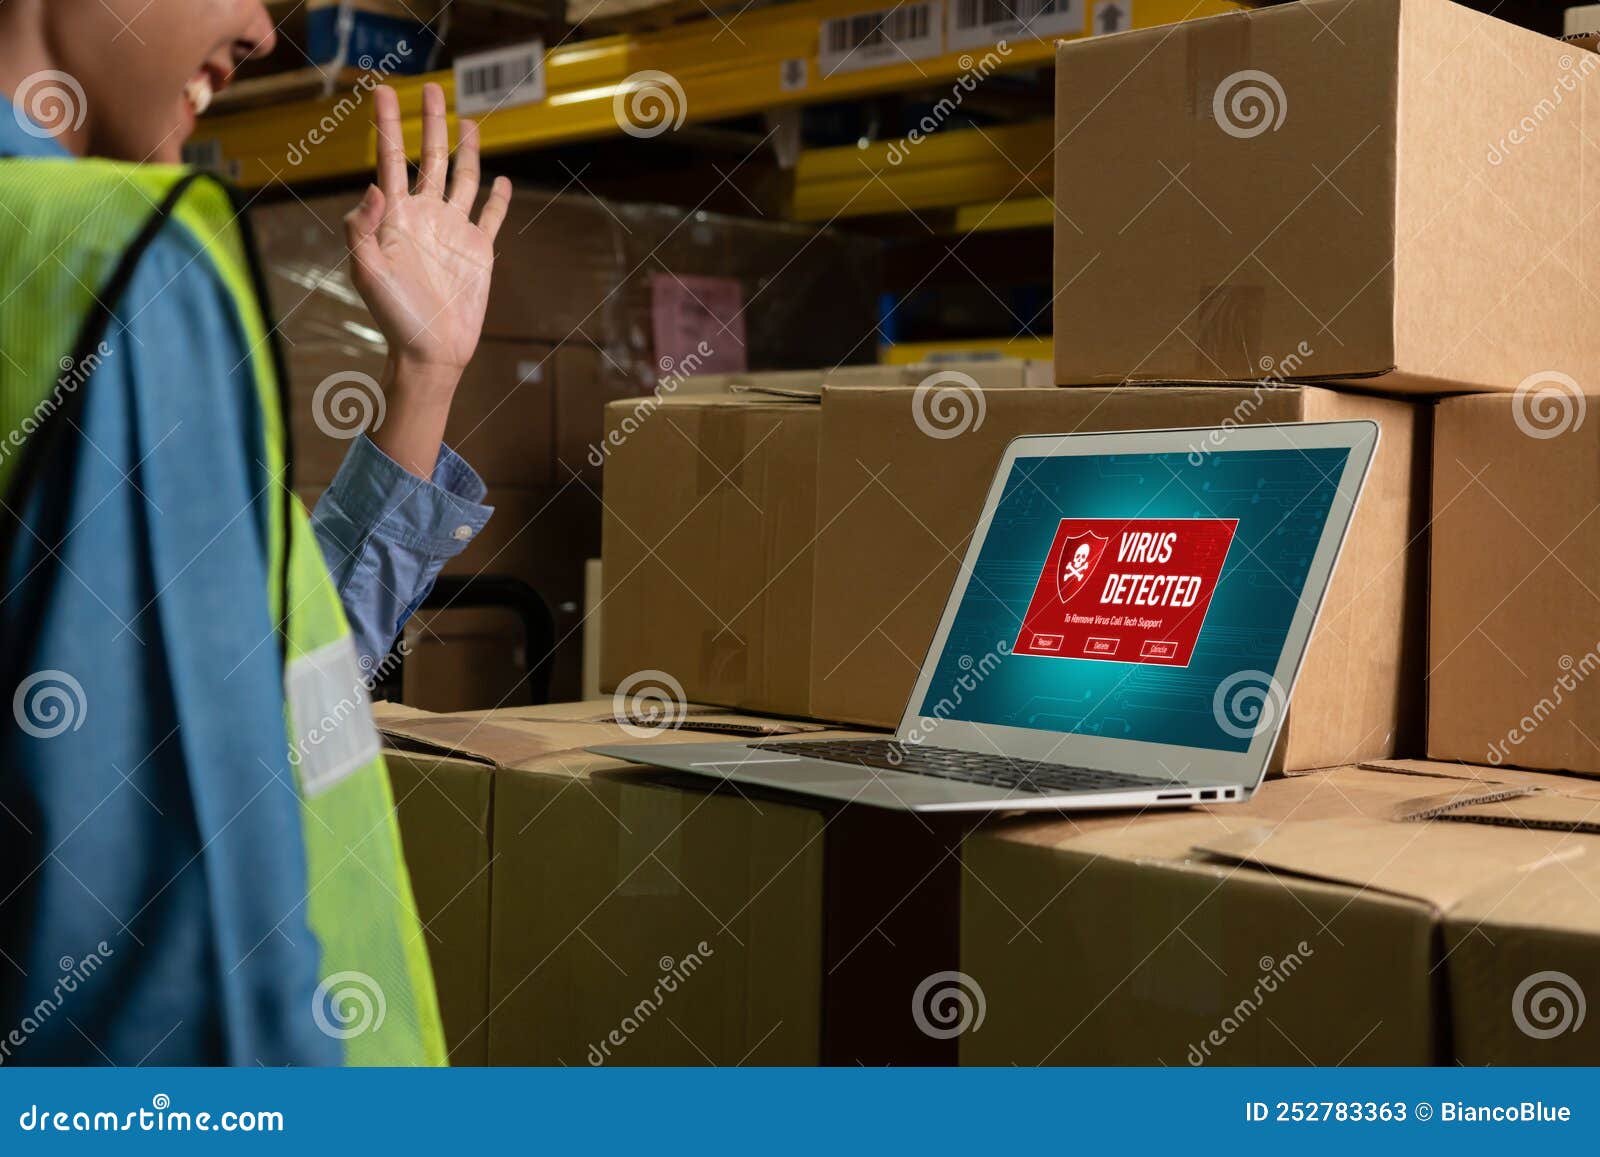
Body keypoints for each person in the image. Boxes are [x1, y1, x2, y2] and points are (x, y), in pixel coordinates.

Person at [0, 0, 512, 1065]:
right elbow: (173, 932)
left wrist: (423, 377)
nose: (260, 30)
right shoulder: (118, 257)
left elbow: (261, 686)